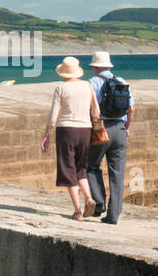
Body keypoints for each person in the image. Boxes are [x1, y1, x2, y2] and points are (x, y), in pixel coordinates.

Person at [42, 57, 100, 220]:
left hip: (67, 130)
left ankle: (77, 211)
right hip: (85, 130)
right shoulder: (88, 86)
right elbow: (96, 111)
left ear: (63, 72)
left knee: (68, 169)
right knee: (80, 168)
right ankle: (88, 197)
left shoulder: (61, 88)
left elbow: (53, 114)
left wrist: (47, 133)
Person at [87, 51, 134, 225]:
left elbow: (90, 108)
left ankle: (99, 203)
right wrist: (126, 128)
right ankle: (113, 216)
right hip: (120, 130)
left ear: (96, 67)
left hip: (101, 128)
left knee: (90, 165)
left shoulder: (92, 83)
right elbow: (131, 109)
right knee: (117, 174)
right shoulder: (122, 82)